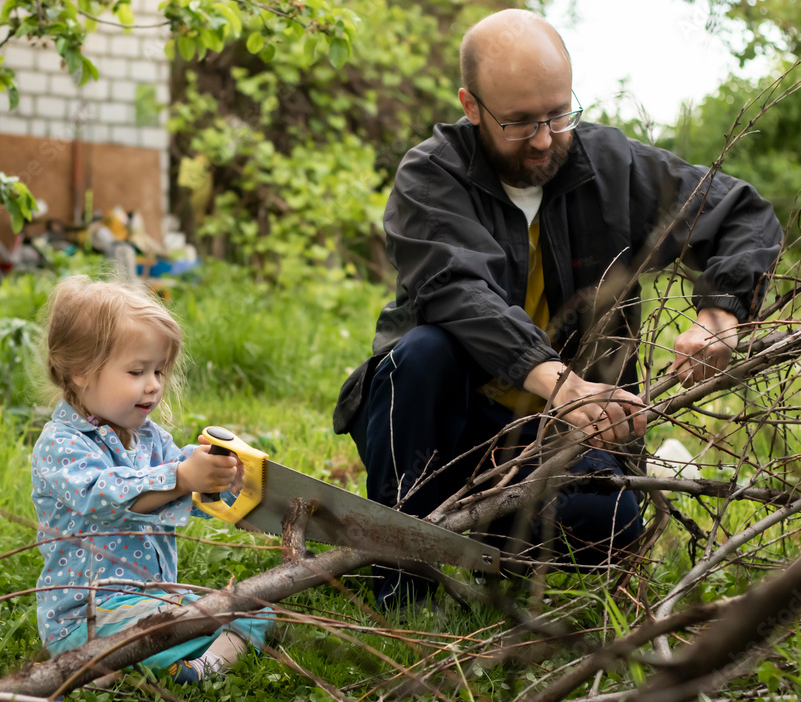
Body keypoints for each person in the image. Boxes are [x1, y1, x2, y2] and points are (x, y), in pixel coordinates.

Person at [333, 9, 783, 609]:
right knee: (424, 352)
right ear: (471, 106)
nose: (545, 138)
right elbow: (457, 291)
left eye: (558, 113)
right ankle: (404, 572)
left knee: (614, 525)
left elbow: (743, 216)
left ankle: (469, 534)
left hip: (549, 442)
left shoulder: (615, 168)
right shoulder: (431, 175)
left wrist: (720, 313)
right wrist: (566, 387)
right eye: (520, 122)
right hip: (437, 422)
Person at [31, 275, 271, 683]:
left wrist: (220, 480)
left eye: (159, 370)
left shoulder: (150, 438)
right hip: (89, 615)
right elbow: (107, 497)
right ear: (81, 372)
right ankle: (106, 666)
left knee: (256, 610)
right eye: (137, 370)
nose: (154, 385)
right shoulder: (62, 445)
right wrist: (180, 477)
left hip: (152, 602)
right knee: (167, 629)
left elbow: (184, 492)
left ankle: (198, 669)